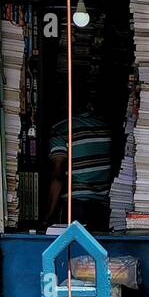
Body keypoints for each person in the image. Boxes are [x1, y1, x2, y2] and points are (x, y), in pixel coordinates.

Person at [45, 91, 113, 230]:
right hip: (102, 207)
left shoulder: (60, 130)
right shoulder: (105, 127)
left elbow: (58, 175)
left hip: (75, 206)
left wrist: (48, 214)